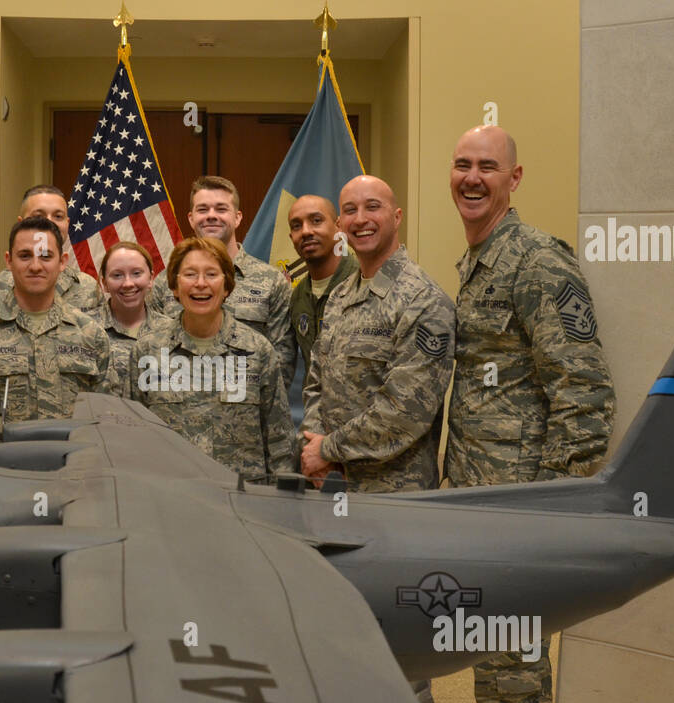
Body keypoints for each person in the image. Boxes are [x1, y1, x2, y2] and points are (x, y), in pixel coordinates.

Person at [444, 124, 616, 703]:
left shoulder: (539, 260)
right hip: (475, 496)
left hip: (518, 500)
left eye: (487, 166)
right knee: (491, 636)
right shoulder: (479, 260)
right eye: (462, 164)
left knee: (511, 640)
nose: (471, 177)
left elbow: (585, 390)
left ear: (514, 179)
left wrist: (552, 505)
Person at [298, 175, 455, 494]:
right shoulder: (340, 296)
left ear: (397, 217)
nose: (361, 219)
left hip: (394, 495)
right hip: (332, 484)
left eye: (373, 207)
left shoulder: (423, 301)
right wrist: (317, 448)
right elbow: (317, 382)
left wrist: (328, 449)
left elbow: (405, 412)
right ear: (340, 224)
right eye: (350, 210)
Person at [129, 237, 293, 478]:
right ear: (174, 286)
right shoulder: (147, 352)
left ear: (227, 286)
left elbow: (280, 441)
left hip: (243, 502)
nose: (201, 284)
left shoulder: (257, 351)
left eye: (212, 274)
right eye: (190, 274)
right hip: (168, 498)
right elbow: (132, 437)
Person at [0, 216, 109, 447]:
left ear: (62, 262)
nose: (35, 266)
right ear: (9, 261)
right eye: (25, 256)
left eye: (46, 256)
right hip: (4, 476)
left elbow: (106, 421)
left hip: (75, 474)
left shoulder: (91, 336)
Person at [150, 176, 295, 383]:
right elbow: (153, 353)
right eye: (203, 209)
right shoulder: (167, 281)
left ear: (237, 217)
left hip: (243, 407)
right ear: (191, 218)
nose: (211, 216)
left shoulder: (272, 282)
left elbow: (281, 366)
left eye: (221, 209)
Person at [0, 185, 104, 319]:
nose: (50, 223)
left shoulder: (89, 289)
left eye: (58, 216)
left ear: (67, 224)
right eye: (39, 216)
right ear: (20, 223)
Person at [286, 194, 360, 376]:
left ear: (338, 227)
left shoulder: (365, 283)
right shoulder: (298, 297)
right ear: (291, 237)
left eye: (316, 221)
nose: (306, 231)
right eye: (297, 226)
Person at [95, 241, 168, 398]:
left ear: (151, 279)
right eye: (117, 275)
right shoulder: (85, 330)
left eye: (136, 273)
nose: (128, 283)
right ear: (104, 284)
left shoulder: (171, 332)